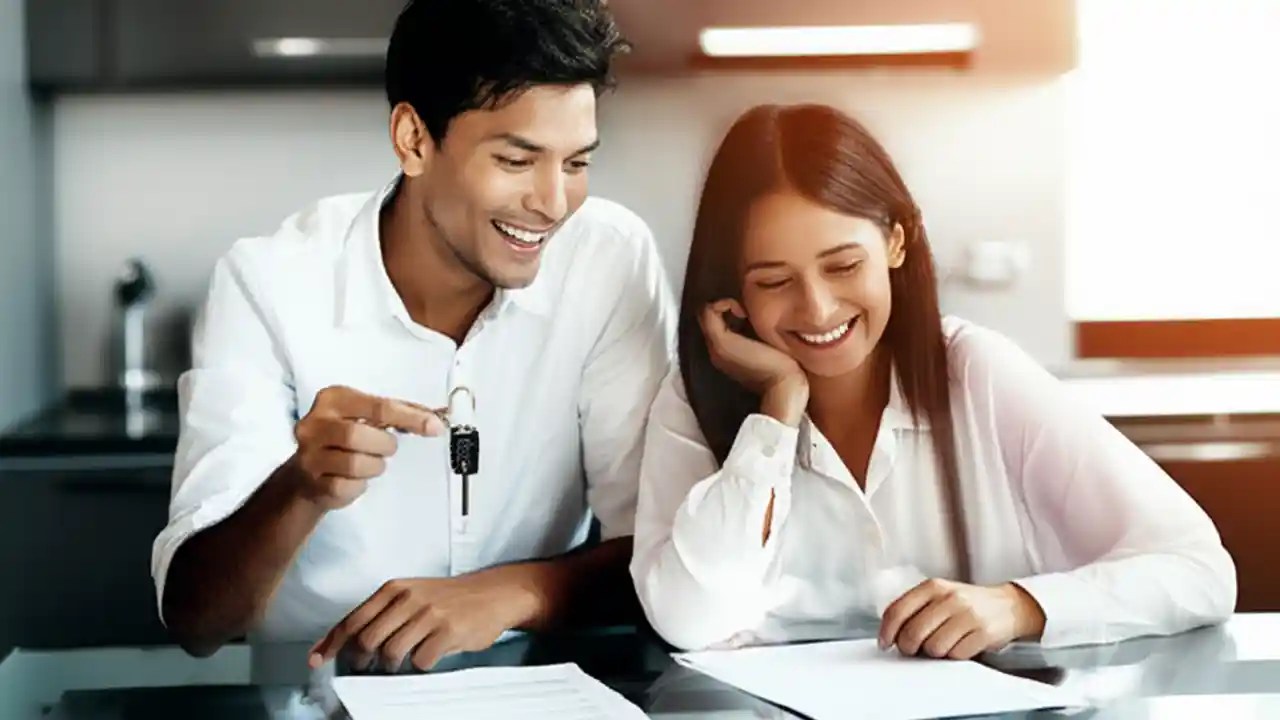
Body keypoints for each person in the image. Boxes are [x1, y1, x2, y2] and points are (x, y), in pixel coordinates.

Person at [153, 0, 674, 673]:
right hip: (313, 696)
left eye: (576, 164)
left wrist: (511, 593)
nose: (552, 203)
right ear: (413, 140)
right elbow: (199, 621)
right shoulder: (269, 283)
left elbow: (659, 551)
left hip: (542, 690)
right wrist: (299, 488)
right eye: (517, 161)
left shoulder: (608, 259)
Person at [630, 103, 1236, 658]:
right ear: (733, 289)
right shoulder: (693, 399)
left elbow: (1199, 569)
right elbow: (689, 620)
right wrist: (776, 411)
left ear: (896, 241)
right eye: (773, 282)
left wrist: (1020, 604)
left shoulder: (976, 373)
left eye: (843, 266)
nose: (816, 310)